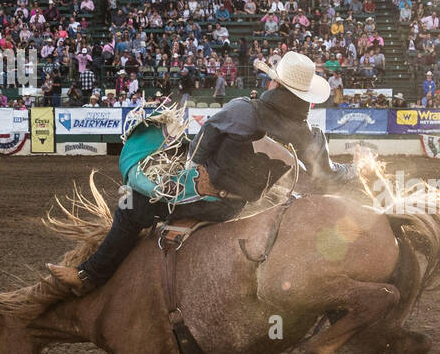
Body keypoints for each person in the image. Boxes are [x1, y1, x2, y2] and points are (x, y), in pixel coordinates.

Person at [49, 51, 354, 294]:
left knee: (131, 208)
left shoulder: (243, 110)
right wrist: (353, 170)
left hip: (207, 196)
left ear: (275, 84)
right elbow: (325, 175)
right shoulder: (309, 135)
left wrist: (186, 164)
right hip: (239, 204)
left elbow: (201, 146)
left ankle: (89, 275)